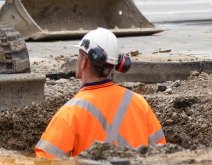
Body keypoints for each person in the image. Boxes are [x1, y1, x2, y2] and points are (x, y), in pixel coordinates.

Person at [35, 28, 166, 159]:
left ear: (84, 61)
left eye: (79, 55)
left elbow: (44, 160)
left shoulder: (71, 112)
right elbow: (162, 152)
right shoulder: (139, 102)